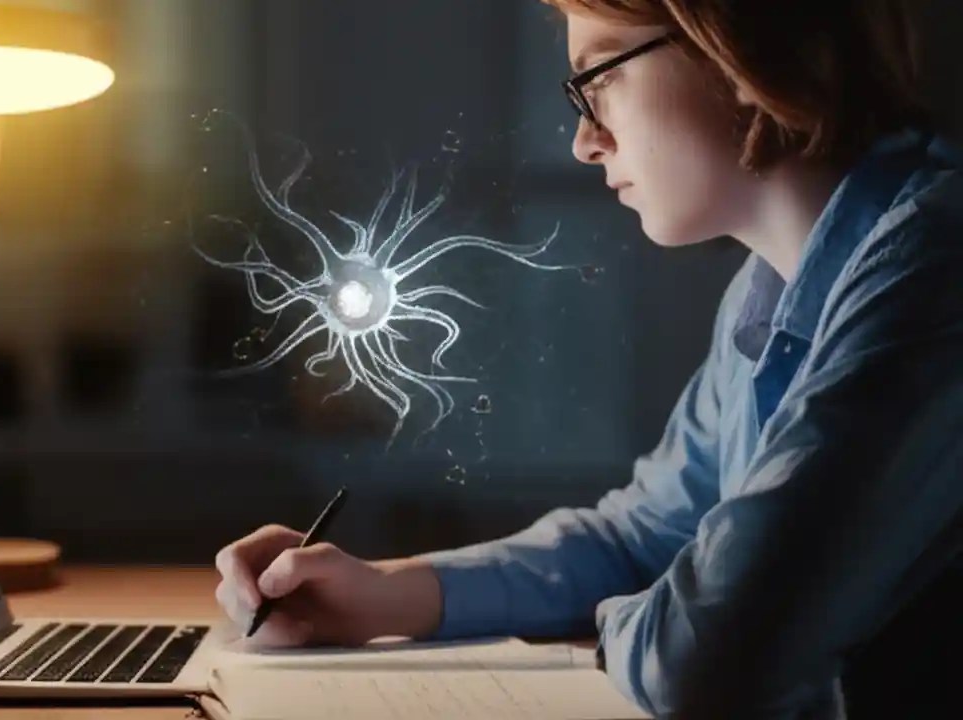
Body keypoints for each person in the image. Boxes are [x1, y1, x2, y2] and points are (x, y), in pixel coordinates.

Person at [214, 1, 963, 717]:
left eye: (600, 77)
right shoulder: (765, 293)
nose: (584, 139)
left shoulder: (933, 274)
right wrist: (383, 595)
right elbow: (644, 538)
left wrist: (624, 622)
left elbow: (708, 656)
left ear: (736, 47)